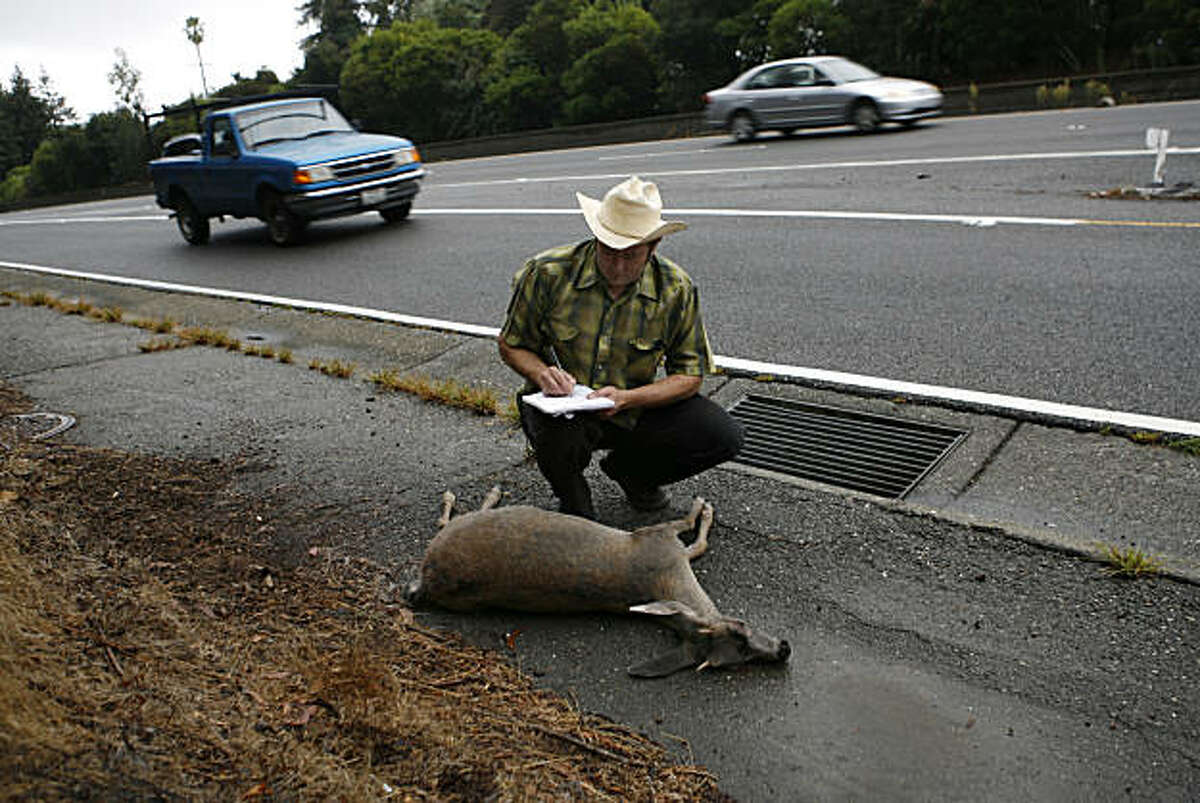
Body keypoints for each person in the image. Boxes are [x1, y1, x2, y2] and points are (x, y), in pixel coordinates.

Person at [498, 175, 744, 519]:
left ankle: (633, 474)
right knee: (559, 448)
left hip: (632, 405)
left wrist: (628, 399)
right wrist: (542, 374)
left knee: (721, 435)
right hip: (563, 409)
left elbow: (689, 376)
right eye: (607, 251)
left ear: (653, 247)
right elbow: (512, 344)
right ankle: (572, 499)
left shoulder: (675, 289)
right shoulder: (547, 273)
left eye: (630, 256)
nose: (616, 266)